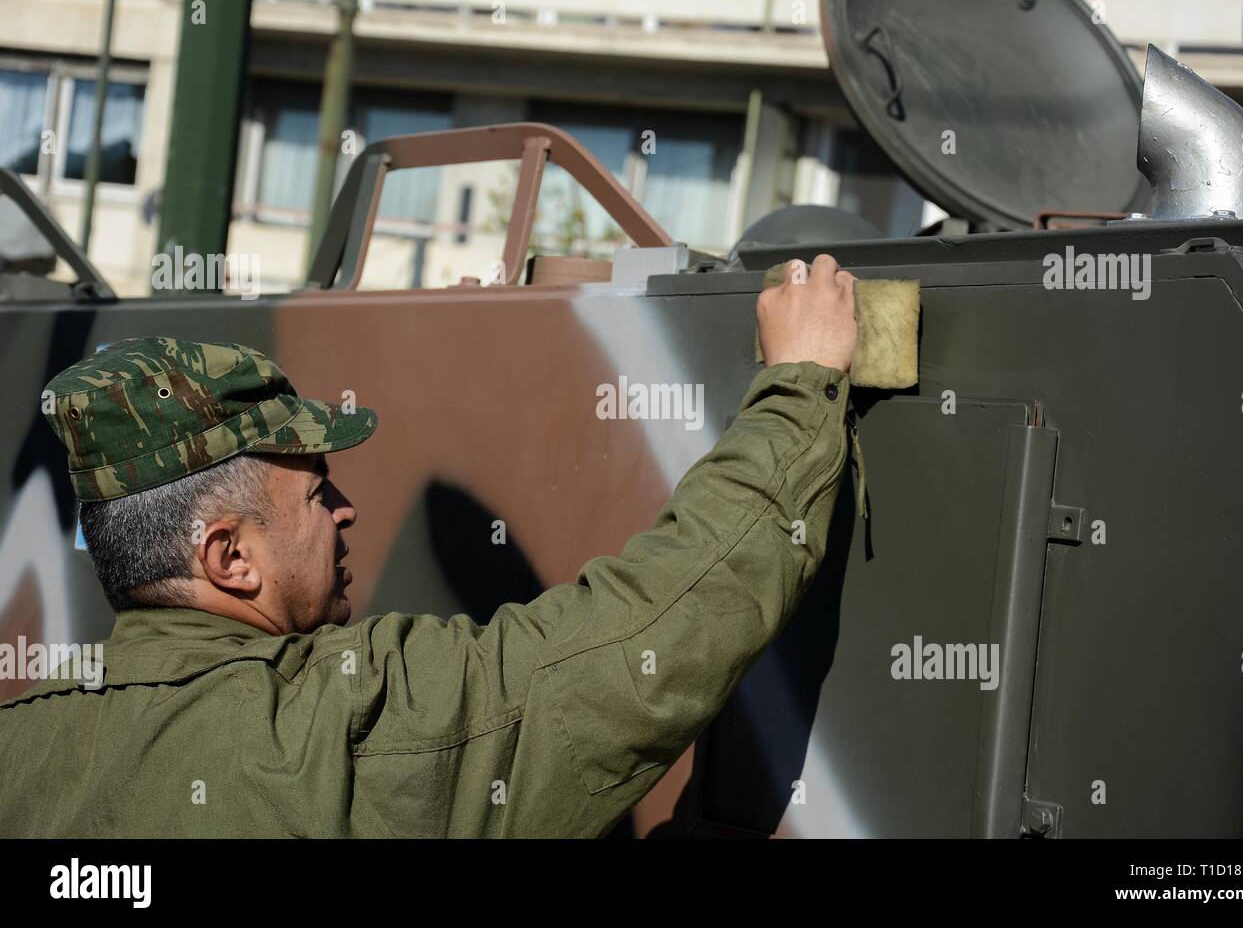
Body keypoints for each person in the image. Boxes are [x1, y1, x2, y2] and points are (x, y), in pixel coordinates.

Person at [0, 254, 858, 837]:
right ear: (229, 558)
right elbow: (640, 646)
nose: (345, 512)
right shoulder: (336, 724)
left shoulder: (24, 746)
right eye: (314, 492)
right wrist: (799, 390)